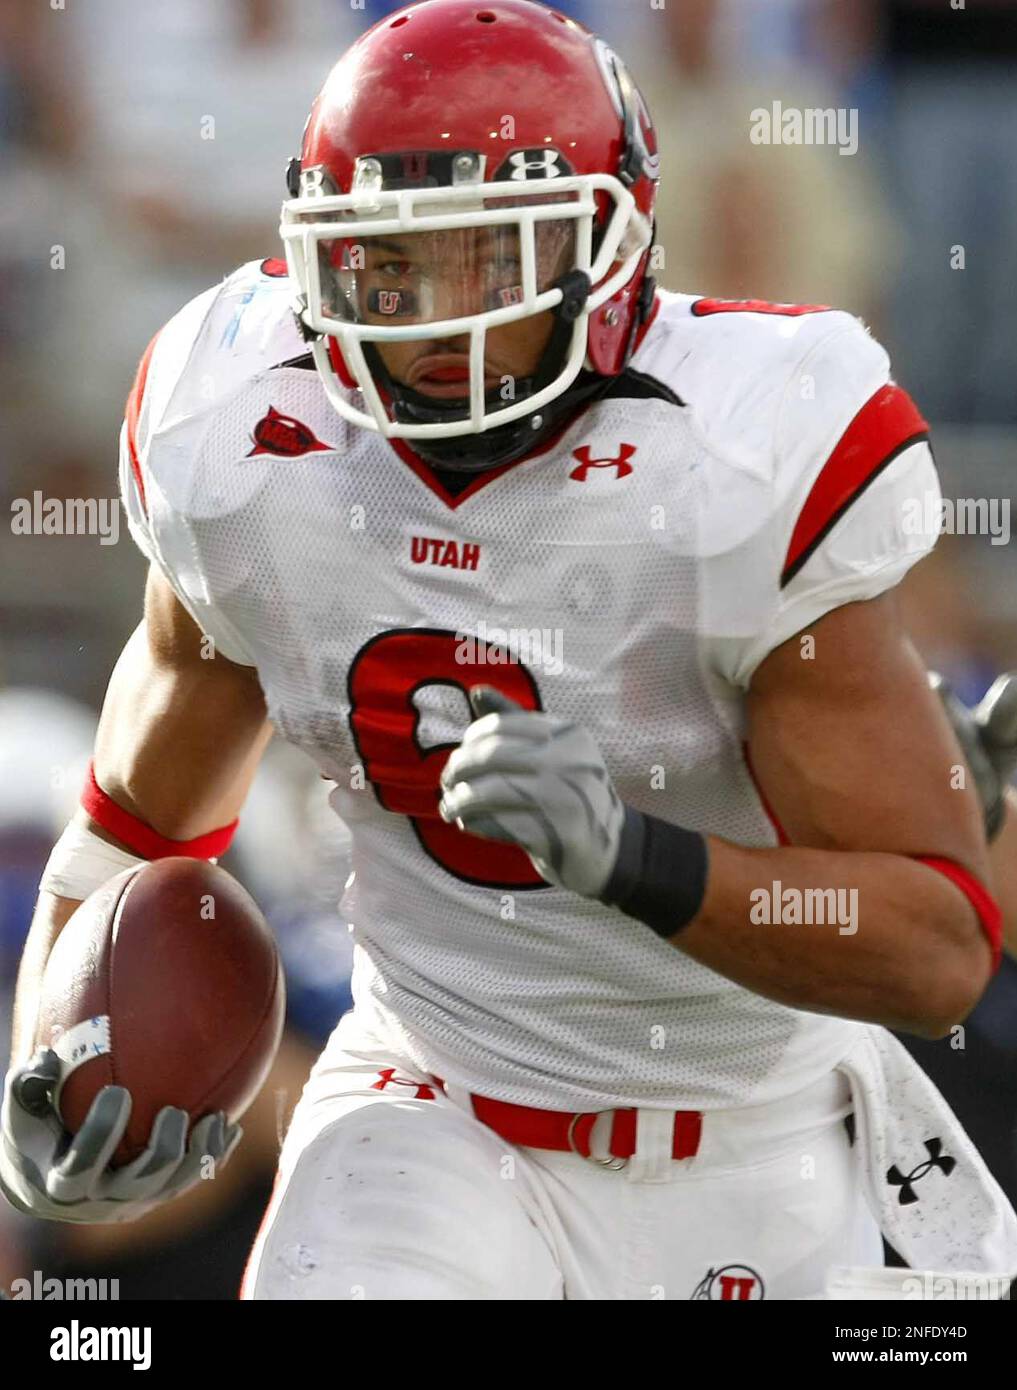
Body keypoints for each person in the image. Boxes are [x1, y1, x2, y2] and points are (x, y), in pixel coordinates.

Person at [3, 0, 1016, 1301]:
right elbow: (138, 818)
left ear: (607, 253)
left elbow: (934, 950)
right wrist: (53, 1053)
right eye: (384, 265)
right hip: (427, 1106)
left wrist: (631, 860)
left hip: (747, 1137)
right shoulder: (244, 435)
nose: (429, 326)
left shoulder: (742, 454)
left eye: (485, 261)